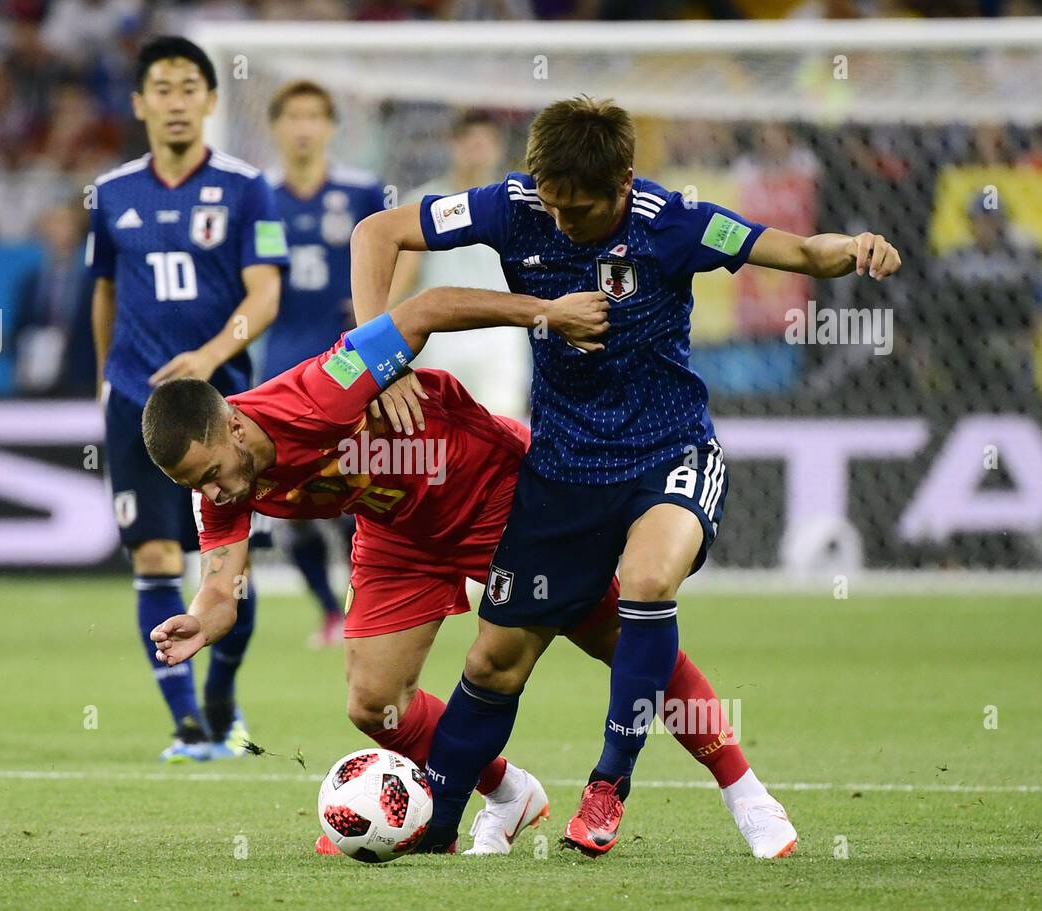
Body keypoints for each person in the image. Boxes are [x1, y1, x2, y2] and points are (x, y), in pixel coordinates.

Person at [351, 96, 901, 856]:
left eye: (581, 210)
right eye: (554, 203)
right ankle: (435, 821)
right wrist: (374, 357)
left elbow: (804, 252)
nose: (564, 221)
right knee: (492, 659)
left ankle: (609, 782)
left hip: (668, 453)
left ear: (624, 183)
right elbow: (378, 230)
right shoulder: (513, 206)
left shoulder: (671, 222)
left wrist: (859, 247)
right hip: (563, 471)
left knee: (647, 580)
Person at [144, 285, 788, 859]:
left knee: (620, 636)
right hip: (399, 530)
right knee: (374, 703)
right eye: (194, 485)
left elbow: (426, 310)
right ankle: (507, 791)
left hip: (494, 495)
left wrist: (546, 313)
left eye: (210, 473)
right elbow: (222, 586)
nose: (215, 492)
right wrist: (201, 622)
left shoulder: (319, 389)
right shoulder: (216, 488)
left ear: (231, 420)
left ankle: (748, 795)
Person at [87, 36, 288, 762]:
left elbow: (265, 292)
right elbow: (104, 291)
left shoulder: (245, 187)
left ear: (210, 100)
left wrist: (207, 357)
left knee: (228, 566)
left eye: (188, 87)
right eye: (161, 88)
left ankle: (222, 698)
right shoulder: (111, 194)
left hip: (224, 408)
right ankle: (188, 725)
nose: (175, 101)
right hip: (134, 405)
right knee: (155, 554)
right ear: (140, 103)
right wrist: (107, 376)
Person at [262, 79, 386, 647]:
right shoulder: (257, 198)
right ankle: (329, 611)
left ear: (331, 127)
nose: (305, 127)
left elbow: (399, 252)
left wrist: (373, 313)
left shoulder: (362, 194)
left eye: (316, 115)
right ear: (277, 127)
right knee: (293, 507)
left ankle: (368, 613)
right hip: (281, 371)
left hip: (349, 371)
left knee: (362, 494)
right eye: (294, 116)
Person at [386, 109, 531, 419]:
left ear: (498, 148)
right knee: (440, 430)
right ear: (453, 145)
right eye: (469, 141)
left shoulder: (515, 206)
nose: (476, 150)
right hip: (441, 336)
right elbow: (405, 272)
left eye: (485, 142)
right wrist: (379, 324)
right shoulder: (424, 201)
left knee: (504, 426)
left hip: (500, 336)